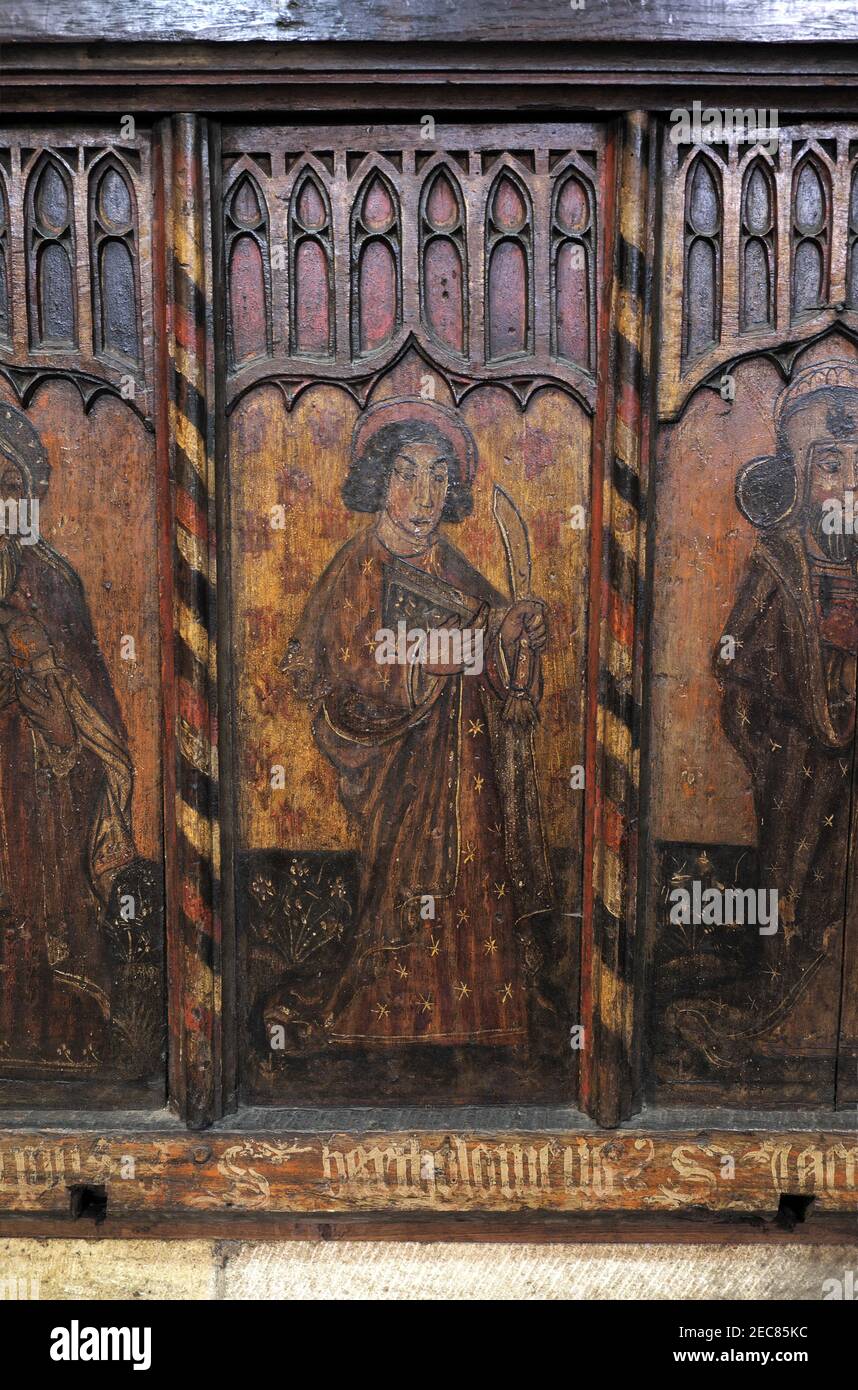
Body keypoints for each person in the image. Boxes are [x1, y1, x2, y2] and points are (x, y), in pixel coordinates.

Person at [276, 397, 553, 1047]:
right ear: (379, 479)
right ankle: (392, 1016)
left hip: (469, 770)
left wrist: (515, 634)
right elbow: (354, 675)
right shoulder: (358, 568)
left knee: (475, 879)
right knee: (403, 888)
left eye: (437, 477)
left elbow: (491, 657)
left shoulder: (453, 566)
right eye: (407, 472)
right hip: (401, 776)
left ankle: (486, 1016)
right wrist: (455, 649)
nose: (423, 493)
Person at [669, 362, 858, 1065]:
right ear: (801, 478)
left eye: (857, 464)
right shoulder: (780, 559)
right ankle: (791, 1006)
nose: (845, 484)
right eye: (829, 464)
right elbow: (736, 663)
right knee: (799, 878)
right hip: (802, 771)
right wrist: (796, 693)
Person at [0, 403, 139, 1071]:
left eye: (9, 483)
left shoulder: (53, 586)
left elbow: (101, 744)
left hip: (36, 807)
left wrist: (59, 738)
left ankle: (52, 1033)